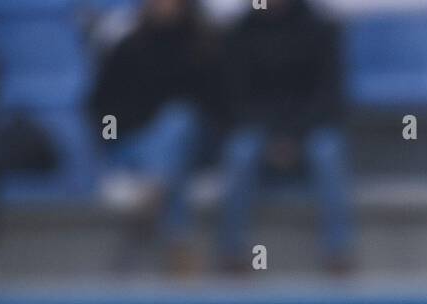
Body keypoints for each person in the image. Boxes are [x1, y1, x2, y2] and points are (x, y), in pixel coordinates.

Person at [215, 0, 355, 273]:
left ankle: (337, 252)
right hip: (259, 130)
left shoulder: (321, 29)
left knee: (329, 151)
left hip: (310, 129)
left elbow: (330, 97)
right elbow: (234, 99)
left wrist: (293, 135)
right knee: (239, 152)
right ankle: (232, 251)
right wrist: (273, 136)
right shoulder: (240, 33)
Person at [89, 0, 217, 272]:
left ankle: (151, 199)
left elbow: (219, 107)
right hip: (138, 145)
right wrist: (125, 131)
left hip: (194, 144)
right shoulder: (127, 47)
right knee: (169, 152)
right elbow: (103, 109)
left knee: (177, 121)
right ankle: (177, 242)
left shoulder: (204, 47)